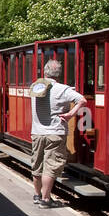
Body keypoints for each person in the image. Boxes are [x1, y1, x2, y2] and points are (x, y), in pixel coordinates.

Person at [30, 58, 87, 208]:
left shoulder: (35, 87)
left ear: (45, 72)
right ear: (59, 74)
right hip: (55, 132)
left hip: (37, 132)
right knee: (51, 166)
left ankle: (37, 195)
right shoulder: (63, 89)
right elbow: (82, 100)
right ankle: (46, 199)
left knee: (37, 165)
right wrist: (70, 114)